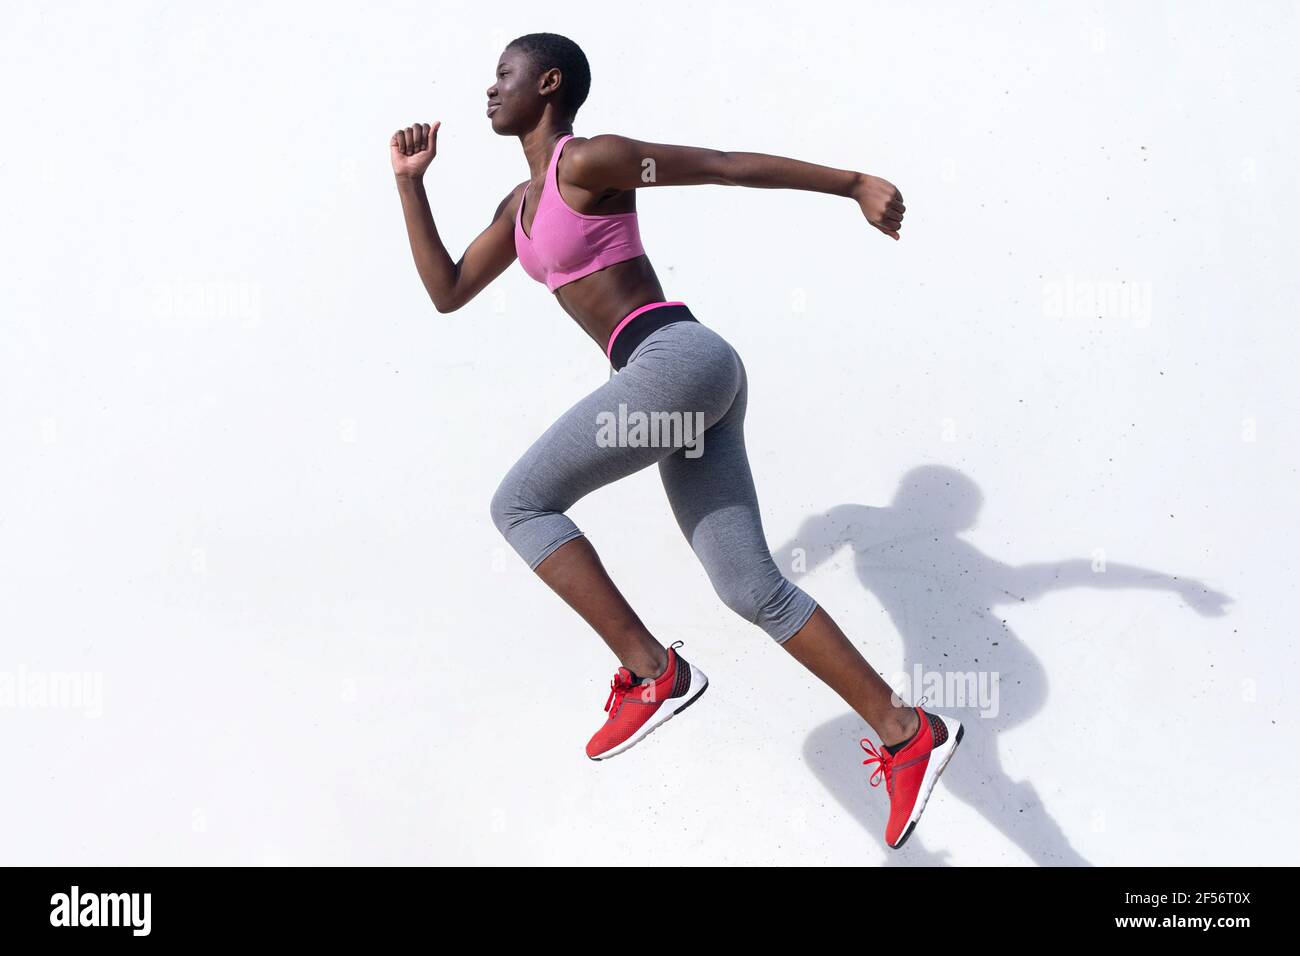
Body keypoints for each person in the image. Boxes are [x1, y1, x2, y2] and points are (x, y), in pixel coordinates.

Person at [389, 32, 962, 849]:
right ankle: (909, 734)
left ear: (548, 84)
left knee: (521, 503)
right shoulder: (513, 213)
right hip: (682, 382)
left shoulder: (590, 163)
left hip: (675, 361)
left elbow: (722, 165)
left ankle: (655, 675)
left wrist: (854, 185)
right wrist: (411, 186)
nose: (489, 90)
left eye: (504, 76)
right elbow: (447, 291)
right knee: (749, 587)